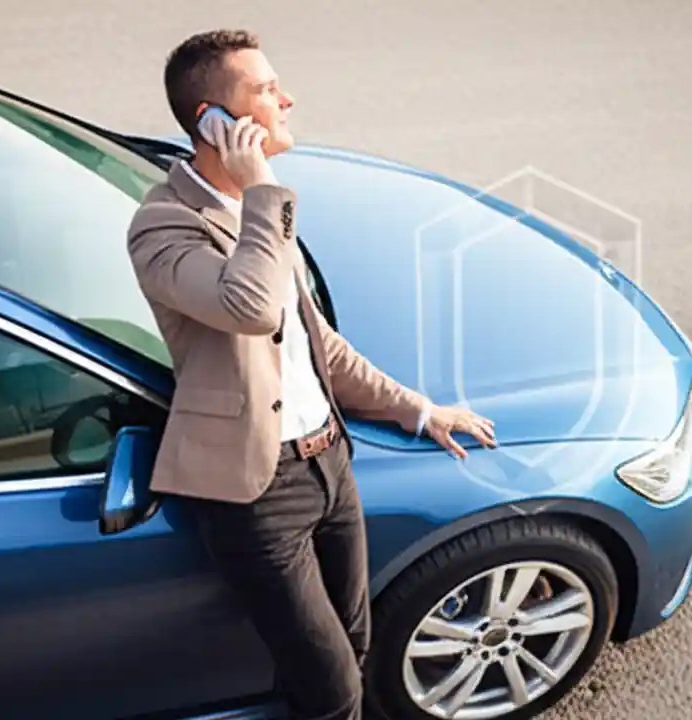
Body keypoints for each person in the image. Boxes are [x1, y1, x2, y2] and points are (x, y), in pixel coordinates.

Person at [126, 29, 498, 720]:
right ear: (215, 120)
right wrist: (262, 190)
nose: (288, 99)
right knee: (332, 690)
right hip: (257, 492)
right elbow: (251, 307)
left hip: (330, 461)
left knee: (352, 649)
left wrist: (418, 409)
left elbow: (313, 342)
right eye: (267, 90)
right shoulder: (163, 226)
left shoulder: (258, 214)